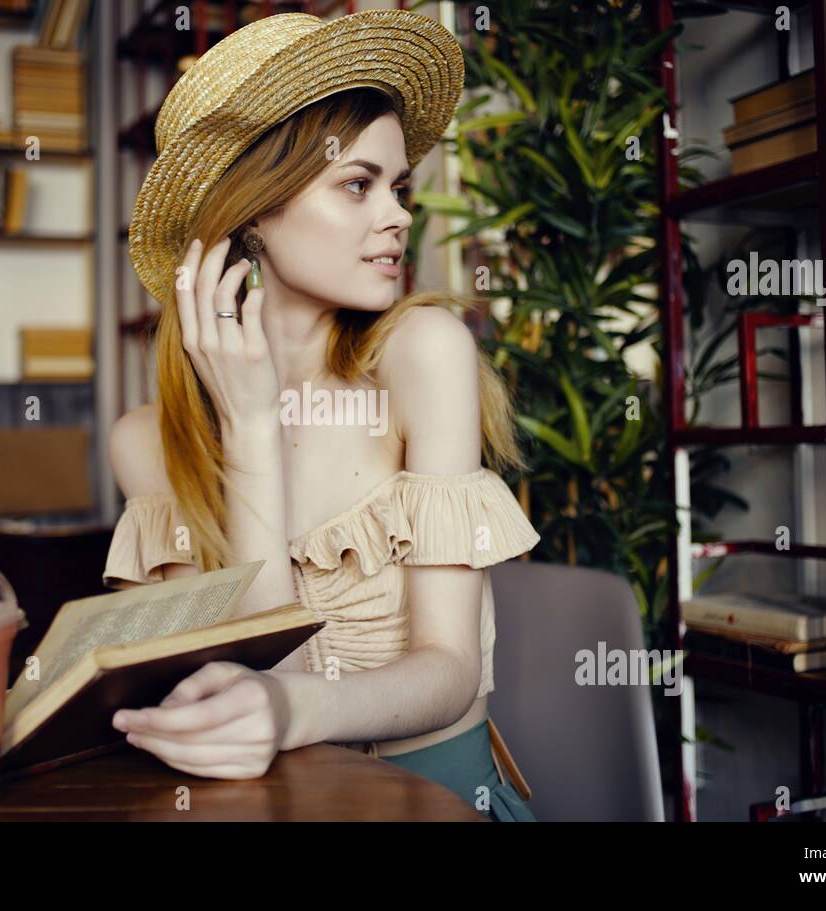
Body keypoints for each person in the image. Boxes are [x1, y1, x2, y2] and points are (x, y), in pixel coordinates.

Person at [105, 10, 538, 821]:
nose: (400, 215)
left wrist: (287, 713)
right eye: (357, 184)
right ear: (252, 214)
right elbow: (253, 678)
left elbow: (449, 671)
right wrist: (252, 428)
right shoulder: (144, 442)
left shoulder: (424, 355)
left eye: (398, 187)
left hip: (440, 798)